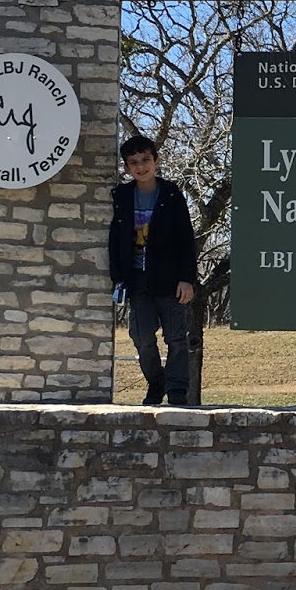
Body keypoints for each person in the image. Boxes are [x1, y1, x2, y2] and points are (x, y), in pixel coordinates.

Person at [108, 135, 198, 405]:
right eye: (133, 162)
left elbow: (185, 239)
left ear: (156, 162)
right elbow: (114, 239)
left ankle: (177, 390)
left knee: (176, 338)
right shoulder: (122, 196)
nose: (141, 166)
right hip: (137, 281)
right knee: (142, 336)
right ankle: (156, 382)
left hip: (169, 280)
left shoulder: (171, 195)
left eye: (146, 160)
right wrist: (118, 278)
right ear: (127, 168)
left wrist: (186, 279)